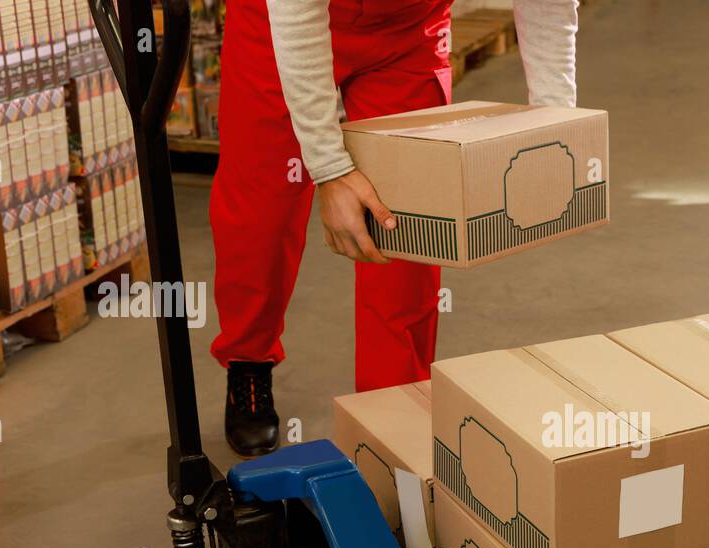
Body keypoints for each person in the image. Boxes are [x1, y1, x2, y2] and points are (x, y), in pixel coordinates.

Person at [209, 0, 579, 456]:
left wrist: (554, 120)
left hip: (407, 31)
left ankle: (392, 411)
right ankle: (249, 358)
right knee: (260, 206)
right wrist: (329, 169)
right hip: (278, 22)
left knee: (407, 225)